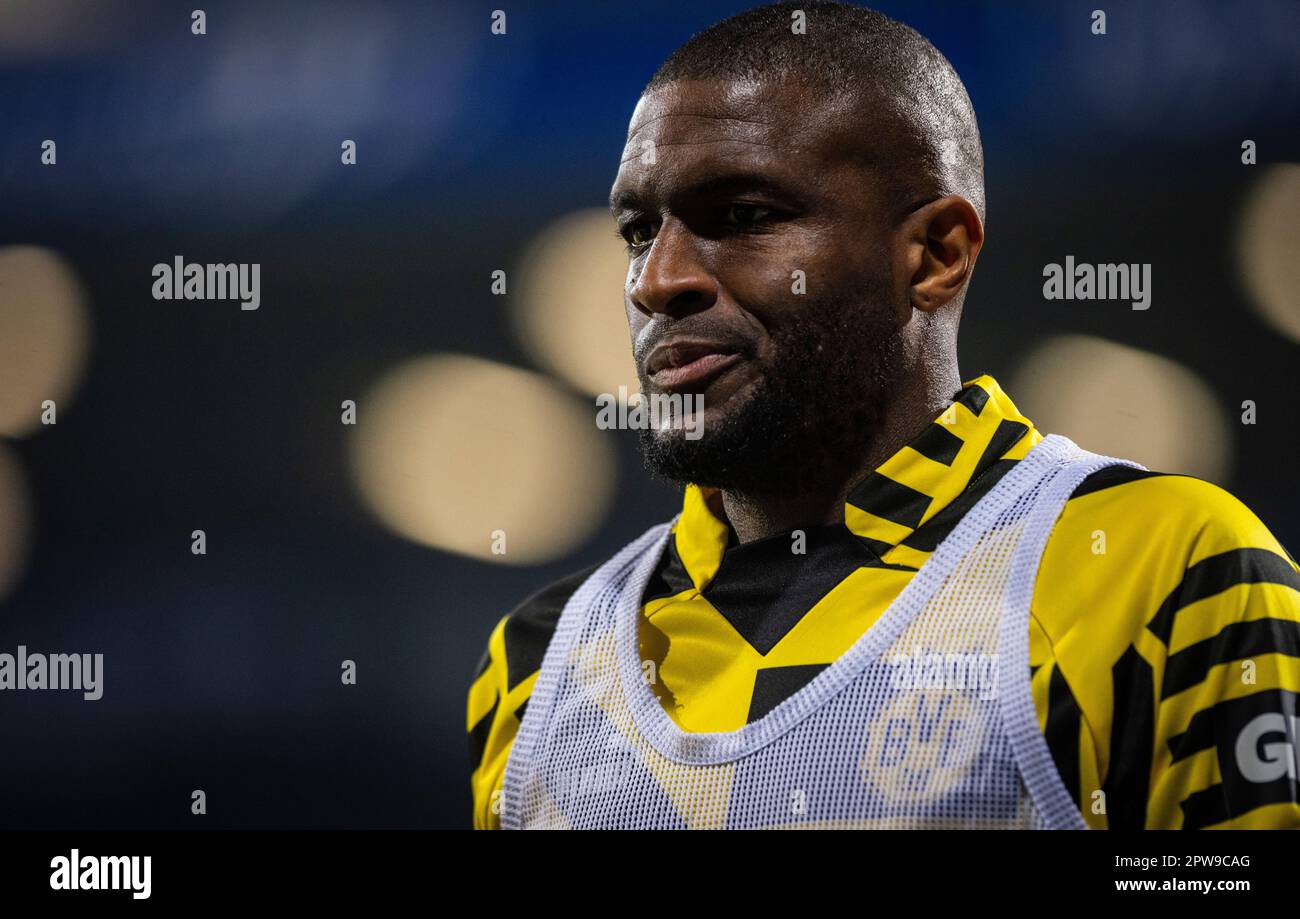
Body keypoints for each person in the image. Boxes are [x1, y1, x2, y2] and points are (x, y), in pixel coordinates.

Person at [467, 0, 1300, 829]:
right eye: (639, 230)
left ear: (937, 254)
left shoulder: (1164, 566)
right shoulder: (534, 668)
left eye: (744, 216)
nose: (657, 280)